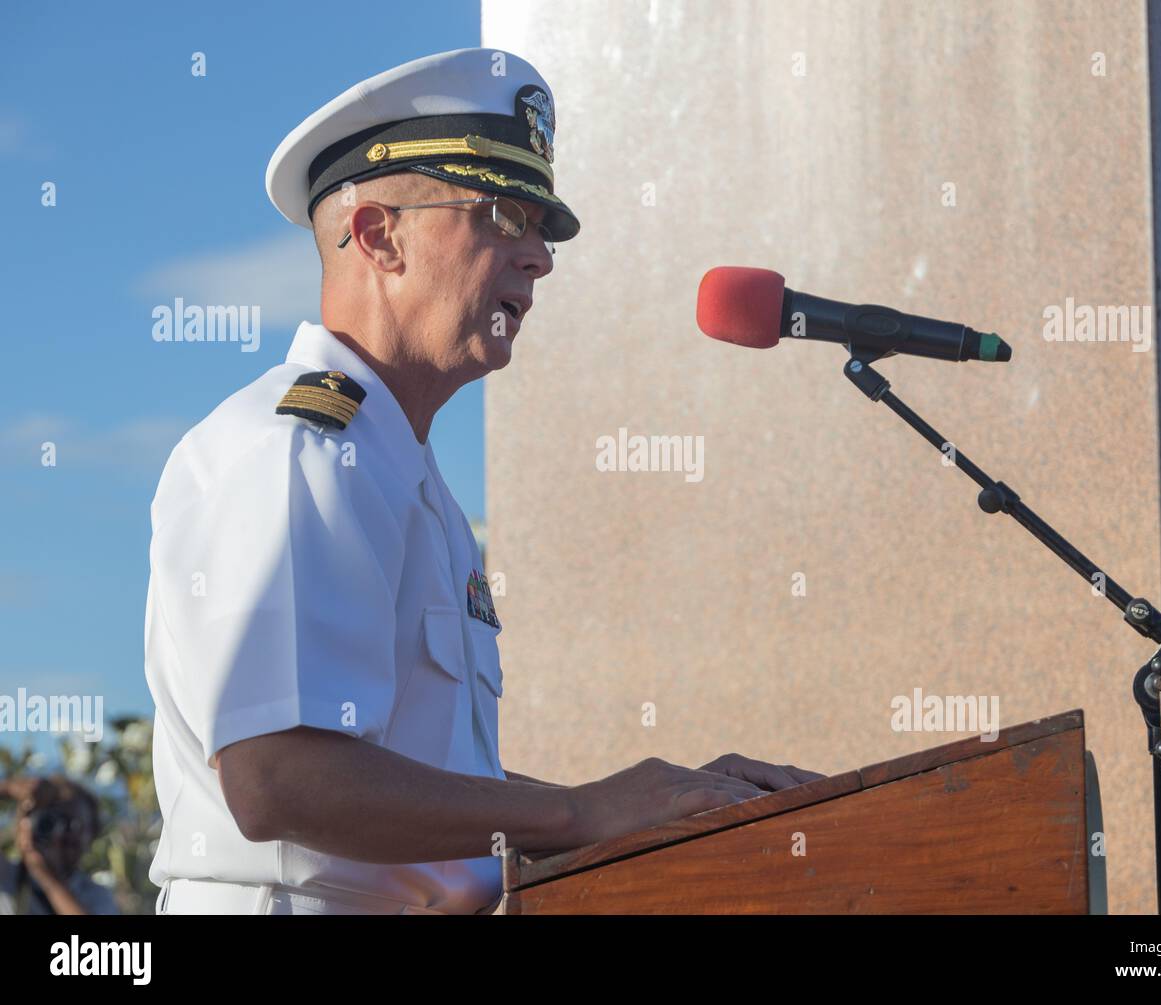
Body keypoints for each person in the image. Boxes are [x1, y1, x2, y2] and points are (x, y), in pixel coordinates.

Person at [144, 47, 824, 917]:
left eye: (540, 226)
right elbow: (279, 778)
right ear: (379, 234)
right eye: (504, 214)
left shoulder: (414, 483)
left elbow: (430, 795)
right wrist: (582, 810)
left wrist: (650, 812)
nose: (539, 257)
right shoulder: (296, 449)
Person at [0, 775, 119, 915]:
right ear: (24, 825)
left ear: (91, 835)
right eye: (48, 823)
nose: (60, 834)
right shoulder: (7, 875)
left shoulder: (96, 896)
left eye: (74, 826)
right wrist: (10, 788)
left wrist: (45, 876)